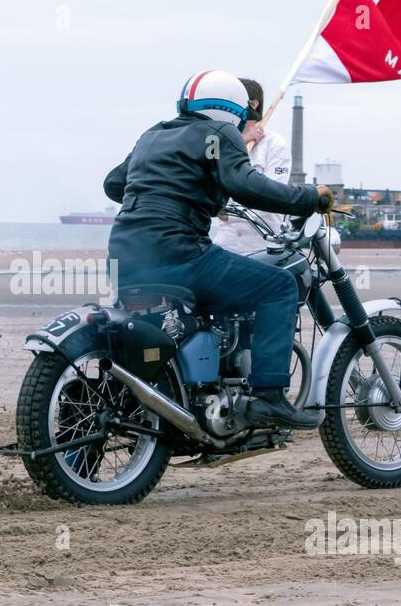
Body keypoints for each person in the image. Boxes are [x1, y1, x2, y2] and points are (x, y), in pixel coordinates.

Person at [104, 71, 336, 429]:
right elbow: (245, 185)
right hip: (181, 256)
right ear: (233, 109)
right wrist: (309, 198)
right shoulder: (221, 132)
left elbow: (114, 184)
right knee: (279, 287)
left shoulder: (153, 134)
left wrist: (181, 193)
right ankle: (268, 397)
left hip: (124, 259)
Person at [210, 77, 294, 255]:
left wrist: (224, 210)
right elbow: (204, 180)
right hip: (226, 240)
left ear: (253, 104)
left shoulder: (275, 145)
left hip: (263, 243)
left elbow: (271, 196)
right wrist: (238, 142)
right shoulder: (219, 141)